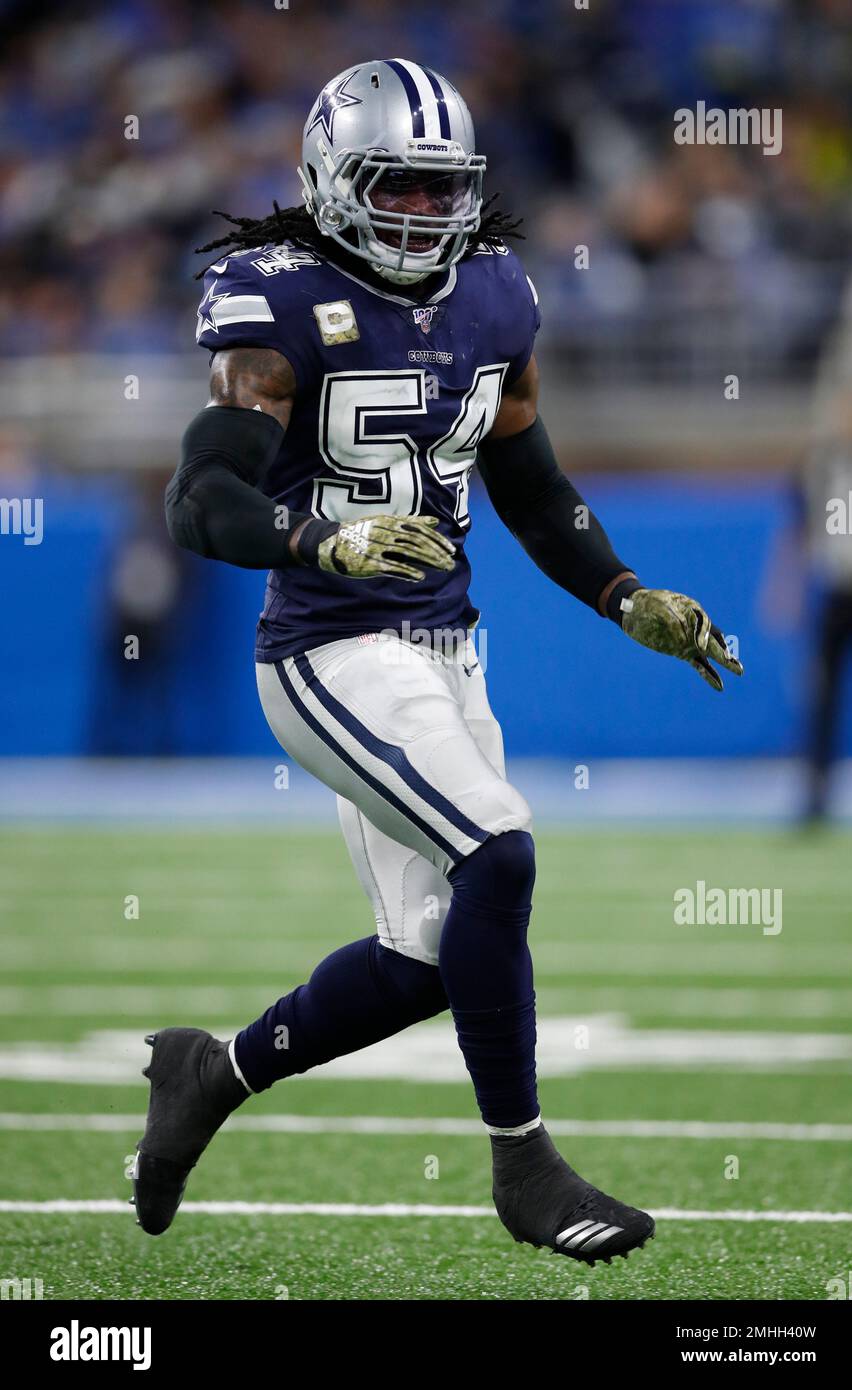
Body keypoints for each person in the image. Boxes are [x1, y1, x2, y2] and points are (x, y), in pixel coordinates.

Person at [134, 59, 742, 1265]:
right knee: (499, 849)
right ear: (332, 181)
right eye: (393, 188)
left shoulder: (497, 293)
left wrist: (622, 593)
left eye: (437, 188)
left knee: (428, 954)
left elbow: (525, 479)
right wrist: (321, 533)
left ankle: (214, 1073)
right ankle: (522, 1160)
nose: (420, 213)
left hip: (446, 648)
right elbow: (199, 499)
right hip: (325, 645)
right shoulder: (277, 295)